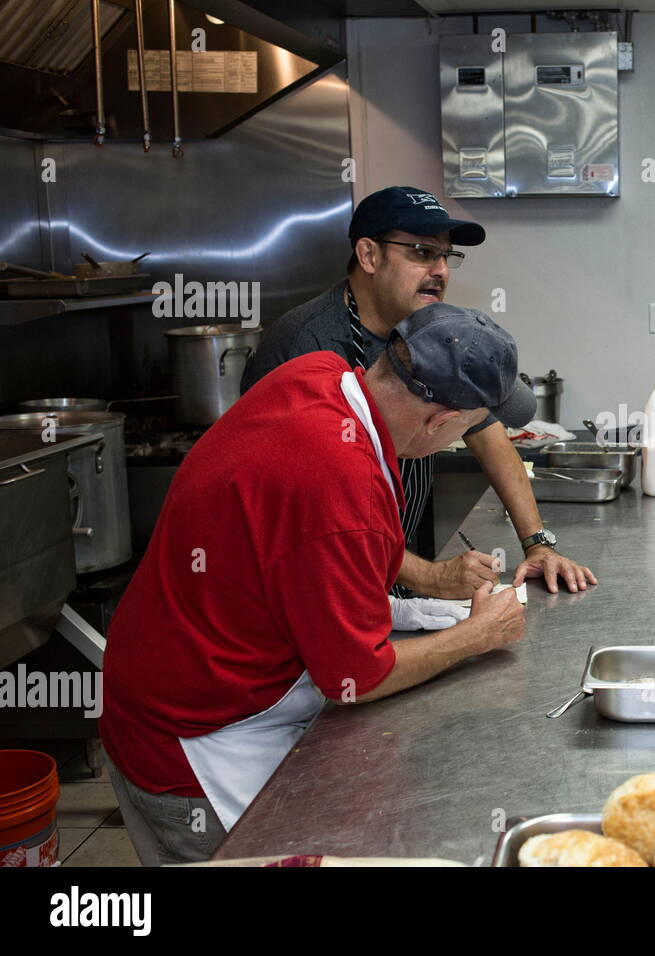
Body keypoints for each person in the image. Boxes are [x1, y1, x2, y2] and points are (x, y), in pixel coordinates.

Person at [101, 304, 531, 864]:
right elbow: (355, 676)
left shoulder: (319, 374)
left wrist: (425, 577)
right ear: (438, 422)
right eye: (471, 423)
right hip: (193, 747)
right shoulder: (337, 477)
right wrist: (478, 635)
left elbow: (312, 536)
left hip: (164, 676)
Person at [242, 185, 596, 597]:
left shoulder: (432, 330)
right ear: (369, 255)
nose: (441, 270)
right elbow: (308, 511)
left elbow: (486, 428)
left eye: (446, 256)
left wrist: (537, 544)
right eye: (422, 253)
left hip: (384, 562)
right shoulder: (307, 346)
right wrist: (429, 577)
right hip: (310, 577)